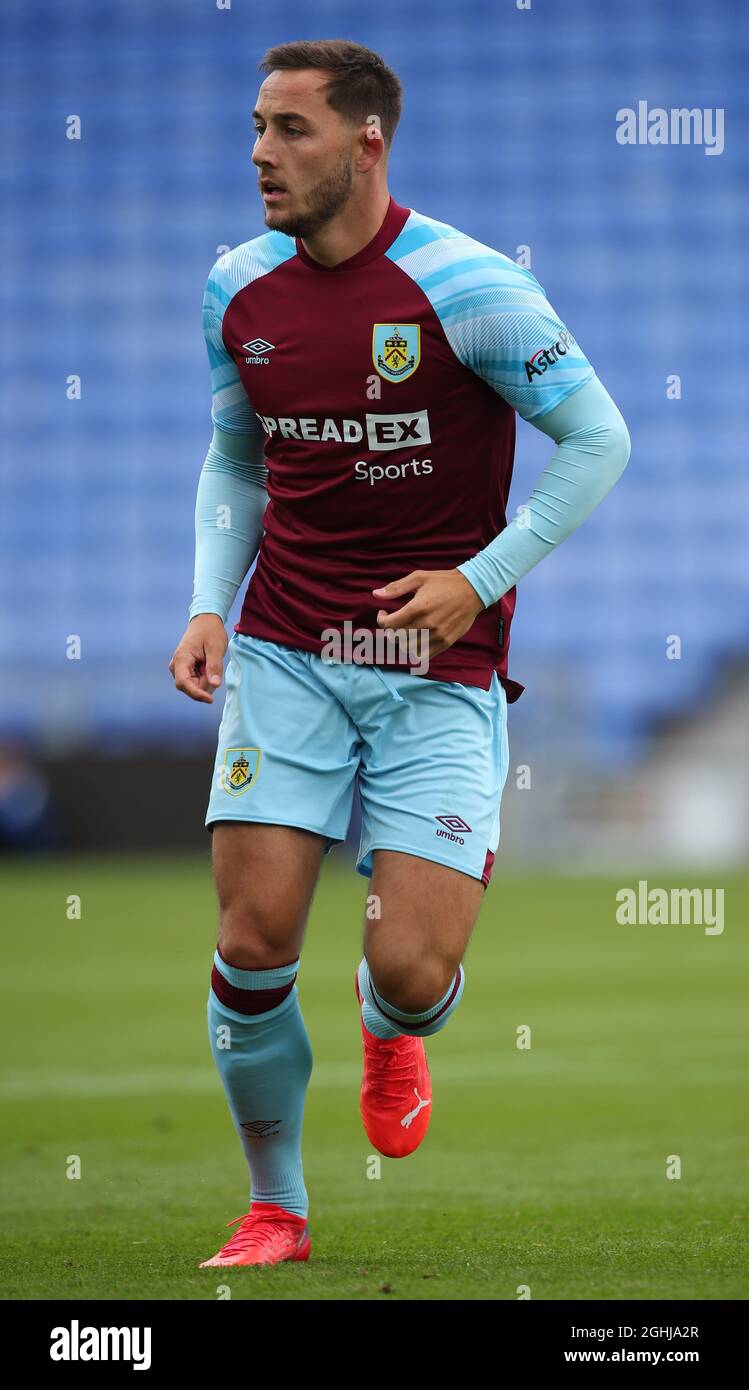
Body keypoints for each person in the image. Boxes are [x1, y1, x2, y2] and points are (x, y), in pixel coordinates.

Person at [168, 38, 630, 1268]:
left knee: (412, 965)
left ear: (366, 141)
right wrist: (211, 602)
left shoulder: (469, 287)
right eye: (256, 127)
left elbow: (597, 440)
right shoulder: (236, 290)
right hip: (285, 651)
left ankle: (394, 1026)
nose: (261, 153)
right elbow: (235, 457)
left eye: (291, 130)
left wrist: (475, 581)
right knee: (253, 938)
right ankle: (277, 1210)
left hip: (435, 669)